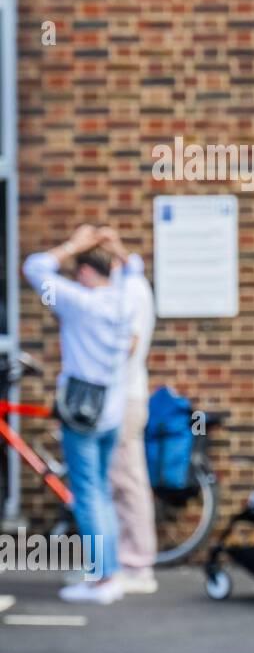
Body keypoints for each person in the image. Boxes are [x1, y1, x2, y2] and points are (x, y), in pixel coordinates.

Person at [22, 226, 142, 604]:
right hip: (112, 411)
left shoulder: (80, 303)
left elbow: (35, 269)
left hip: (81, 412)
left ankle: (101, 578)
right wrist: (113, 245)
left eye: (79, 271)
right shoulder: (126, 298)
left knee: (87, 496)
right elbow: (133, 268)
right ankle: (110, 572)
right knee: (101, 493)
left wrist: (75, 243)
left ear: (86, 273)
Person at [109, 262, 158, 595]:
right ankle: (122, 562)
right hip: (126, 398)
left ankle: (137, 565)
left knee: (127, 481)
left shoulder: (131, 290)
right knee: (122, 481)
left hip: (123, 398)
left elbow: (129, 343)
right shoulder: (133, 288)